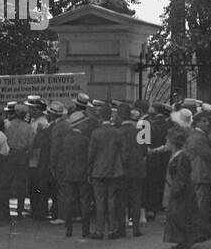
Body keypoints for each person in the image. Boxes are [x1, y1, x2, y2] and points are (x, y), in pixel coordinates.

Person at [51, 93, 97, 238]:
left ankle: (69, 230)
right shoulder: (85, 140)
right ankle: (85, 230)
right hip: (82, 173)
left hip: (69, 172)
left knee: (69, 200)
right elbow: (89, 157)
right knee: (84, 200)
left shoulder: (67, 139)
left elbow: (62, 156)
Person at [88, 104, 128, 240]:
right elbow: (123, 152)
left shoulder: (95, 133)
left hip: (98, 171)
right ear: (110, 115)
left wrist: (89, 169)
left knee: (100, 202)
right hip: (115, 171)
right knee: (112, 201)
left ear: (100, 116)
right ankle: (112, 230)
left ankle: (99, 231)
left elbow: (91, 154)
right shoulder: (117, 132)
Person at [163, 128, 208, 249]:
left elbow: (182, 176)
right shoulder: (177, 156)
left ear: (172, 143)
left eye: (167, 141)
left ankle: (188, 238)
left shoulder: (181, 157)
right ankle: (182, 239)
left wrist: (176, 190)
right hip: (179, 188)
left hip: (182, 191)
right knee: (180, 215)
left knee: (181, 215)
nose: (166, 143)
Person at [185, 112, 211, 239]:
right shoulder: (198, 137)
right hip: (200, 172)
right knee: (201, 203)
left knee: (202, 201)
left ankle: (200, 227)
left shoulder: (198, 135)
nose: (207, 123)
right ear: (197, 122)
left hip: (199, 172)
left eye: (207, 121)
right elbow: (209, 154)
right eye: (204, 121)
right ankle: (199, 229)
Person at [119, 105, 148, 237]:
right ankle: (136, 229)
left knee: (122, 199)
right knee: (136, 199)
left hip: (122, 170)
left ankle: (122, 229)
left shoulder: (118, 132)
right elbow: (144, 151)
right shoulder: (140, 132)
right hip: (138, 169)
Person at [5, 103, 35, 217]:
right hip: (22, 156)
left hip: (10, 154)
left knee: (8, 182)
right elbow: (31, 144)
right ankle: (20, 210)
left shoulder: (7, 125)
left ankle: (6, 209)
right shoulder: (28, 127)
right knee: (21, 184)